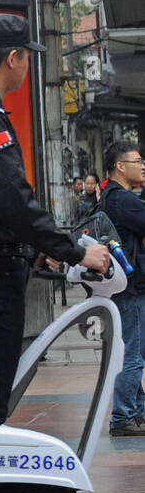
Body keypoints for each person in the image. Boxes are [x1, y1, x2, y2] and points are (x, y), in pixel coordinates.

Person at [0, 13, 110, 427]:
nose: (28, 66)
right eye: (27, 57)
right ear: (13, 57)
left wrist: (33, 251)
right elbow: (13, 199)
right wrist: (74, 251)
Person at [98, 141, 145, 436]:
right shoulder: (123, 200)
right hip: (131, 288)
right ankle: (123, 416)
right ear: (120, 166)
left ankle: (135, 411)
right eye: (137, 160)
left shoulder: (109, 198)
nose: (142, 165)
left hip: (122, 287)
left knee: (134, 350)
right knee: (133, 354)